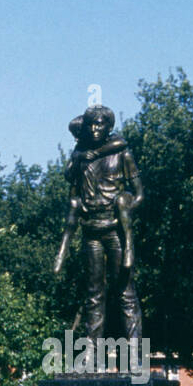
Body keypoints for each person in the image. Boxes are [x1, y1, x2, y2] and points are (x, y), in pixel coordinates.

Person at [53, 105, 144, 350]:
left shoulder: (122, 154)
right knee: (93, 296)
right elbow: (72, 193)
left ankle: (135, 357)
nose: (95, 129)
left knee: (126, 294)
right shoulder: (81, 156)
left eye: (100, 124)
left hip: (115, 231)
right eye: (91, 124)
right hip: (90, 232)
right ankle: (91, 356)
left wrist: (124, 206)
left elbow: (139, 195)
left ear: (109, 127)